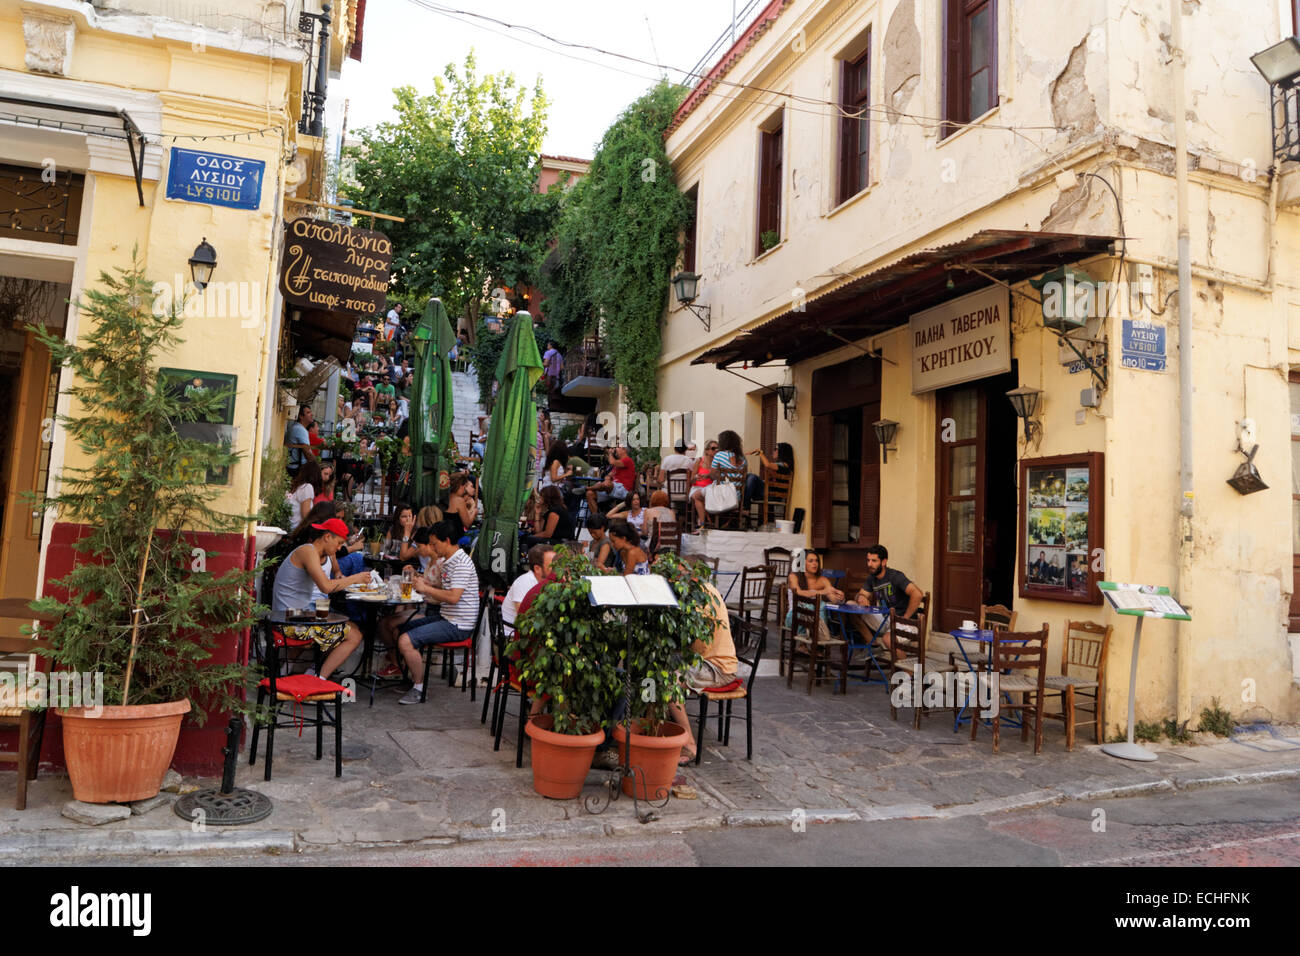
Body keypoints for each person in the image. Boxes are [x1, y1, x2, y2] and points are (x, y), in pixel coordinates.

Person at [270, 517, 371, 681]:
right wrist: (356, 578)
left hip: (295, 615)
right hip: (289, 619)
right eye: (338, 543)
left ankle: (301, 670)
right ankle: (317, 680)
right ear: (327, 537)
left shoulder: (313, 552)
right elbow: (326, 587)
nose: (339, 548)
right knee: (355, 636)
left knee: (348, 624)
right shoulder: (308, 551)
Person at [397, 521, 480, 704]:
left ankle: (419, 689)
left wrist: (425, 589)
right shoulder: (450, 561)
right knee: (402, 629)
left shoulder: (460, 563)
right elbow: (444, 588)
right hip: (448, 617)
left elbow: (452, 597)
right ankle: (412, 678)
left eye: (435, 543)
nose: (432, 547)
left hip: (458, 624)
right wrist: (424, 583)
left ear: (447, 540)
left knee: (405, 640)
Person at [667, 582, 739, 764]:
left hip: (718, 668)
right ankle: (658, 725)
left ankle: (689, 743)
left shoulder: (702, 596)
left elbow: (698, 646)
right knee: (650, 676)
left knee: (667, 684)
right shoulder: (703, 589)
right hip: (704, 660)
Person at [849, 544, 923, 657]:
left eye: (874, 561)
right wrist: (861, 597)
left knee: (888, 639)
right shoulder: (872, 578)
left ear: (883, 562)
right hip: (886, 619)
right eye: (868, 560)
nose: (870, 564)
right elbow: (861, 594)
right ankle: (874, 646)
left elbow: (917, 594)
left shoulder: (895, 576)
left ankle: (909, 673)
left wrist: (905, 618)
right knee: (851, 607)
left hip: (906, 623)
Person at [786, 550, 842, 646]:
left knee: (821, 606)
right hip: (795, 617)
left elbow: (833, 598)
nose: (815, 564)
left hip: (816, 619)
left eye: (816, 561)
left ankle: (815, 643)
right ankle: (816, 642)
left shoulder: (823, 580)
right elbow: (799, 593)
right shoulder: (793, 577)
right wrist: (822, 592)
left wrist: (839, 597)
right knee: (819, 605)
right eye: (811, 561)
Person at [502, 543, 555, 637]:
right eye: (552, 565)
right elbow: (524, 617)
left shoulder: (548, 583)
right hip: (512, 636)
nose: (557, 568)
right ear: (537, 568)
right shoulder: (524, 582)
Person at [585, 444, 636, 515]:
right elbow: (608, 475)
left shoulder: (628, 460)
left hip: (623, 490)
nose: (615, 449)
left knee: (607, 484)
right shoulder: (618, 463)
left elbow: (612, 462)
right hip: (612, 489)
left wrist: (610, 453)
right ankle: (596, 519)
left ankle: (588, 488)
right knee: (589, 494)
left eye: (618, 447)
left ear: (624, 450)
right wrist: (607, 479)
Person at [745, 441, 794, 508]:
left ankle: (745, 507)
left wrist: (760, 453)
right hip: (769, 494)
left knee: (752, 477)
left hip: (771, 496)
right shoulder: (782, 466)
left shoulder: (783, 465)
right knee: (749, 477)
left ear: (782, 452)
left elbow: (767, 464)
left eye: (775, 449)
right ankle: (744, 506)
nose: (773, 451)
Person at [286, 459, 322, 531]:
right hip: (296, 529)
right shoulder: (307, 487)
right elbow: (305, 515)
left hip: (289, 526)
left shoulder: (296, 486)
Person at [689, 440, 718, 527]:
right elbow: (691, 480)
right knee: (698, 496)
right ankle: (705, 522)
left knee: (704, 496)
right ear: (706, 451)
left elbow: (717, 479)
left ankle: (702, 522)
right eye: (713, 448)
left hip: (709, 488)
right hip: (697, 487)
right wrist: (696, 477)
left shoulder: (717, 463)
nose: (716, 450)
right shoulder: (699, 461)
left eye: (717, 449)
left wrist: (709, 476)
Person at [284, 404, 315, 475]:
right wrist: (316, 466)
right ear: (301, 416)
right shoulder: (300, 429)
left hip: (292, 467)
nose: (312, 414)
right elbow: (308, 453)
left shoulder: (297, 427)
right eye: (308, 412)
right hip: (294, 469)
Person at [446, 473, 479, 540]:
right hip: (456, 537)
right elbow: (467, 523)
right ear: (460, 486)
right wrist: (473, 508)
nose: (464, 489)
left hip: (447, 535)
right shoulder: (459, 500)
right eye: (464, 486)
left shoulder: (446, 497)